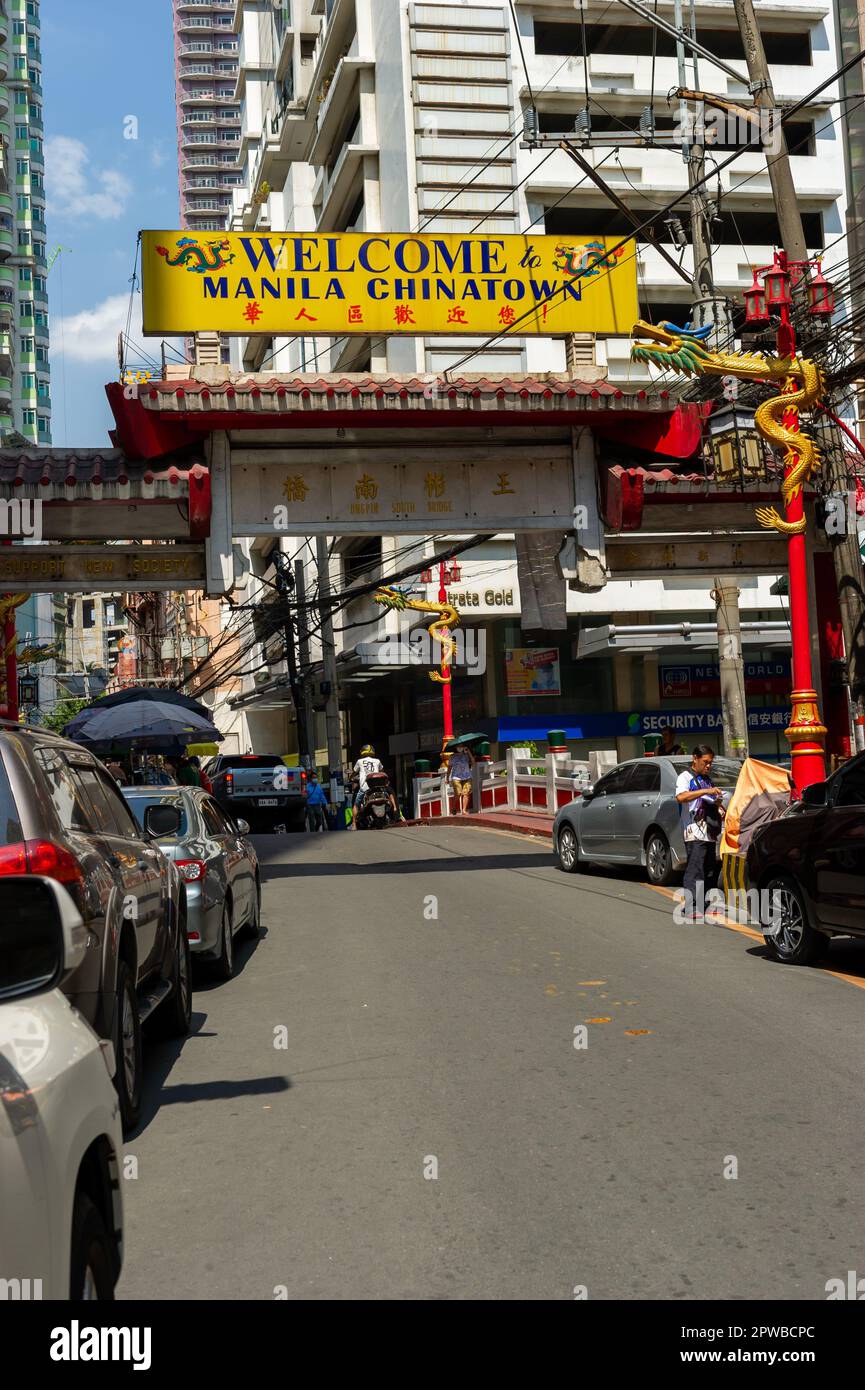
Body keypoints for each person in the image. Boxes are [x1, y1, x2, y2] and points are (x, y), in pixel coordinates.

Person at [676, 744, 725, 921]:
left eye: (710, 763)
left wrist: (720, 806)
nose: (708, 766)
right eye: (705, 762)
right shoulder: (685, 777)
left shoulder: (707, 779)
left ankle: (705, 904)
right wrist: (705, 791)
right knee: (695, 869)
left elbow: (711, 800)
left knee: (709, 870)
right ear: (694, 758)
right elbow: (681, 797)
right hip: (694, 831)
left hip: (709, 832)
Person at [351, 743, 398, 828]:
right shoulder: (377, 761)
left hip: (365, 787)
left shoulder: (359, 761)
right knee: (389, 794)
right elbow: (382, 771)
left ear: (362, 752)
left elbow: (354, 772)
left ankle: (354, 823)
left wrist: (350, 777)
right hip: (378, 787)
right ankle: (393, 811)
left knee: (356, 804)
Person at [446, 745, 474, 815]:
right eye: (458, 746)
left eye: (461, 746)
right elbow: (449, 768)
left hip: (467, 776)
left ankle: (464, 810)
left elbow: (473, 762)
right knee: (458, 793)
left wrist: (469, 751)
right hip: (456, 777)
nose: (460, 748)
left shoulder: (466, 755)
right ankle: (454, 807)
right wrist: (447, 778)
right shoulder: (452, 757)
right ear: (455, 747)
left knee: (466, 793)